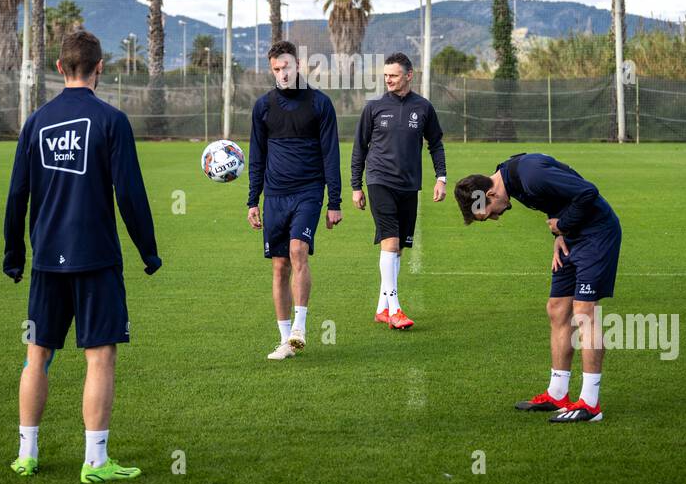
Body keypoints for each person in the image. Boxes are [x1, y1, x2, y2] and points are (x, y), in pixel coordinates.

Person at [3, 30, 161, 483]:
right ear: (99, 68)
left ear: (59, 68)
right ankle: (95, 461)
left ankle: (27, 454)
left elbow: (17, 193)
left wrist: (15, 254)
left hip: (46, 260)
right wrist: (148, 251)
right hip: (97, 259)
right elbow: (130, 193)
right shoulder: (112, 120)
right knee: (100, 356)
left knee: (38, 355)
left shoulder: (36, 122)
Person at [454, 153, 622, 423]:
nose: (496, 218)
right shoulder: (509, 177)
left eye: (489, 214)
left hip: (597, 234)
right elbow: (556, 197)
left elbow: (587, 192)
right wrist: (560, 234)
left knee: (583, 312)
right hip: (571, 237)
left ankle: (590, 404)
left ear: (489, 194)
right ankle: (558, 393)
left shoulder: (531, 174)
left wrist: (564, 225)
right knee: (557, 309)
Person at [247, 40, 341, 360]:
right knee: (279, 266)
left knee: (298, 249)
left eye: (287, 66)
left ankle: (300, 327)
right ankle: (286, 340)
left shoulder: (319, 103)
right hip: (274, 195)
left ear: (298, 65)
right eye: (276, 69)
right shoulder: (263, 106)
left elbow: (331, 154)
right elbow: (257, 156)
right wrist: (252, 201)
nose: (282, 73)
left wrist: (335, 202)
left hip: (309, 192)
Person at [349, 52, 446, 329]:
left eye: (393, 75)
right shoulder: (374, 107)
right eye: (386, 76)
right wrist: (357, 186)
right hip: (379, 180)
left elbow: (436, 143)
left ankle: (382, 308)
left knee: (399, 249)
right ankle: (395, 309)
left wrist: (441, 178)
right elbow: (360, 148)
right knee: (389, 243)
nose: (388, 80)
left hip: (409, 186)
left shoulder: (424, 108)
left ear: (409, 75)